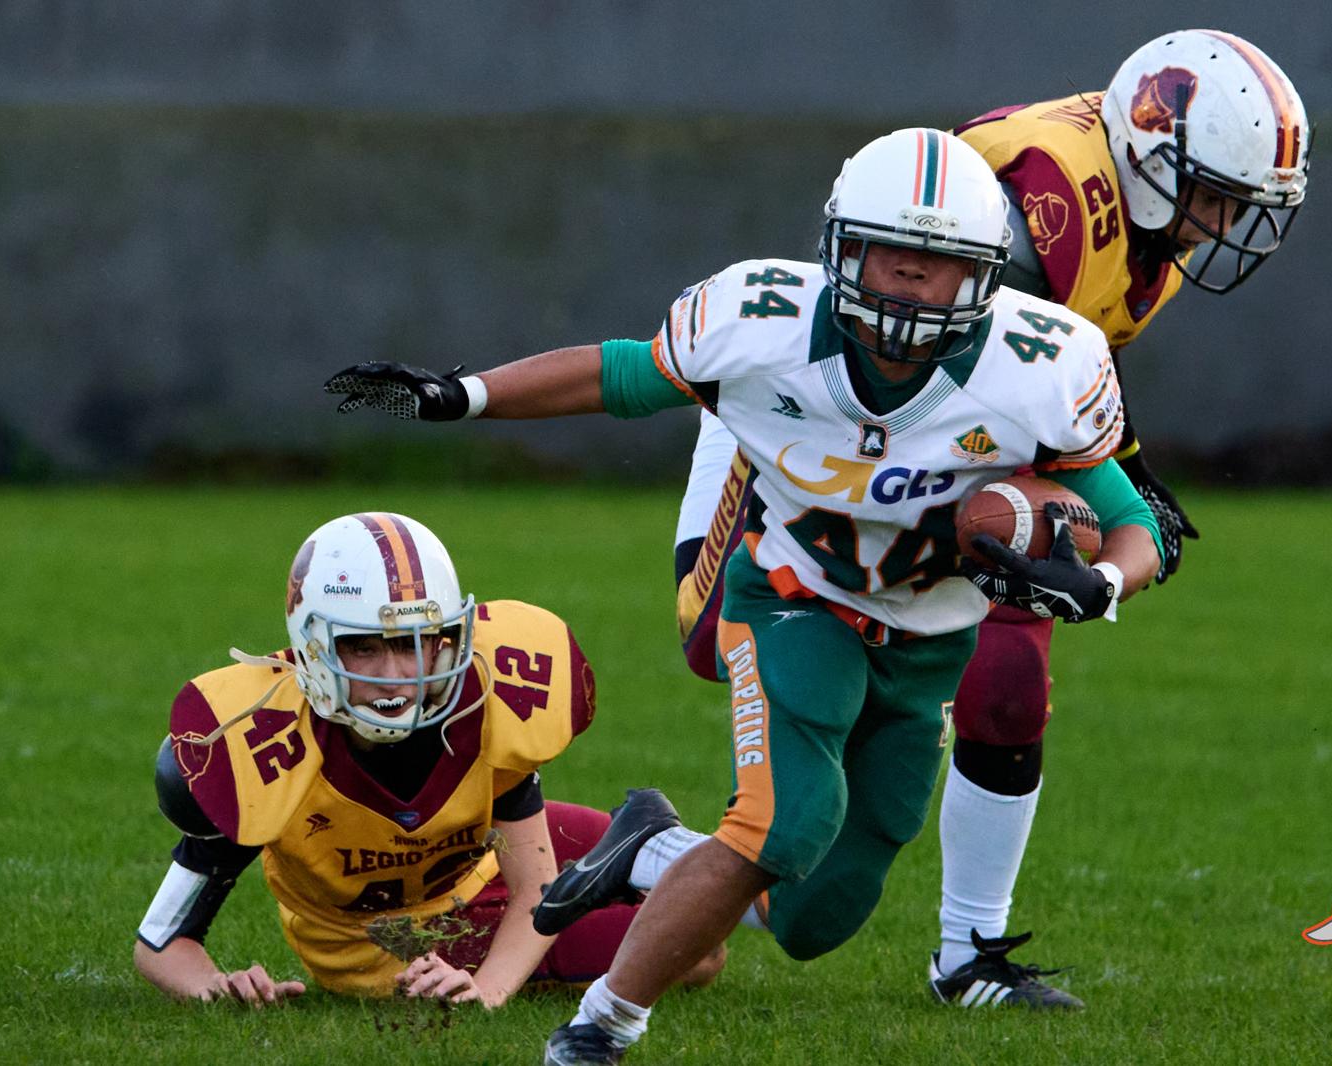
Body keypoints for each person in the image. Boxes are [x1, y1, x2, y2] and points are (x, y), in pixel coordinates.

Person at [323, 126, 1163, 1062]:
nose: (907, 282)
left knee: (813, 917)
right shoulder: (759, 321)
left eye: (936, 262)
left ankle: (644, 848)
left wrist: (1096, 582)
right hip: (790, 596)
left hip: (928, 641)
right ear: (840, 247)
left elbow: (1137, 527)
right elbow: (619, 374)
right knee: (783, 822)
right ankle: (600, 1028)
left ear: (984, 274)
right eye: (888, 254)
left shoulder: (1045, 364)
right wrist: (462, 395)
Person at [670, 29, 1311, 1009]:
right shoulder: (1047, 203)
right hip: (819, 439)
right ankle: (663, 857)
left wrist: (1124, 483)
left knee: (1008, 679)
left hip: (943, 450)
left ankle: (967, 952)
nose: (1221, 223)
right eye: (1214, 194)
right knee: (715, 639)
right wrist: (1095, 502)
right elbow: (958, 368)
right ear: (1148, 148)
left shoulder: (1148, 225)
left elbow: (1061, 372)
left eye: (1239, 204)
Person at [133, 511, 724, 1006]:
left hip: (480, 856)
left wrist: (490, 987)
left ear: (451, 638)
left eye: (416, 644)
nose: (396, 678)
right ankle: (636, 865)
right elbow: (161, 941)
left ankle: (733, 870)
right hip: (399, 939)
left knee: (704, 884)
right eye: (363, 647)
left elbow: (533, 884)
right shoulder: (259, 738)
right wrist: (215, 987)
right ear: (312, 645)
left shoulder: (480, 702)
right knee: (698, 947)